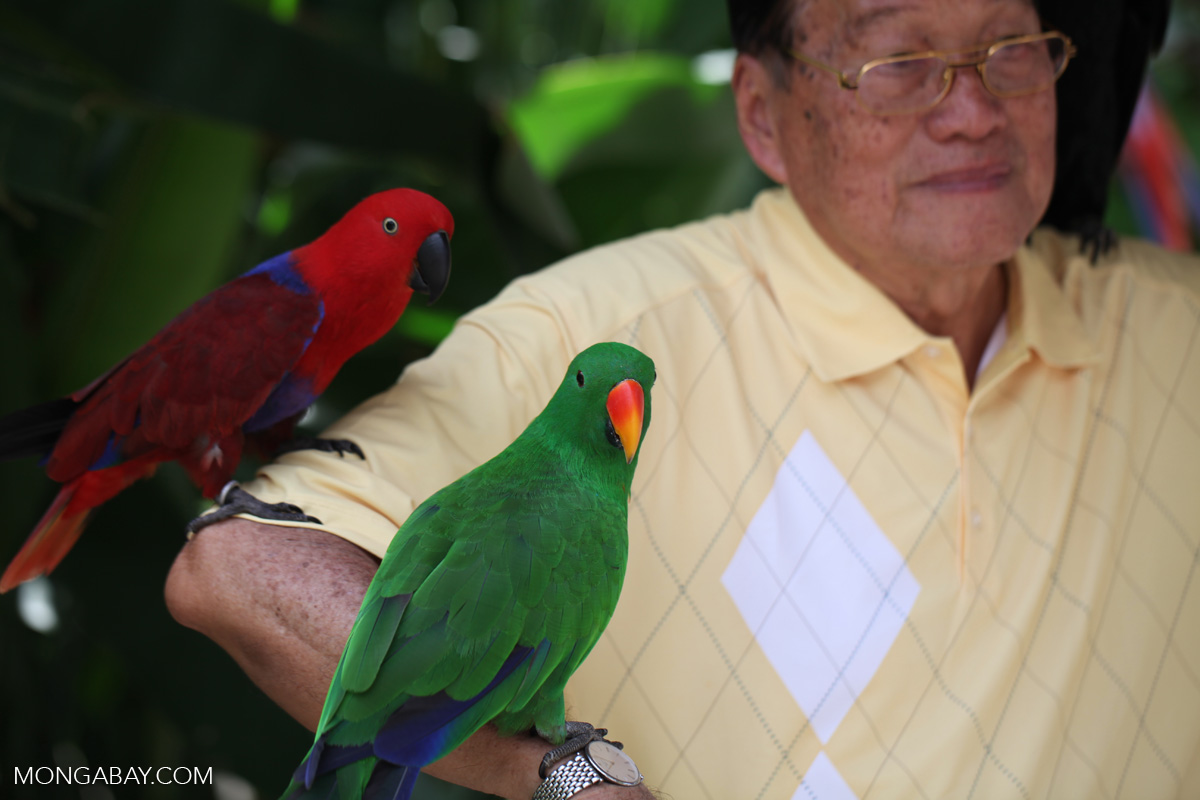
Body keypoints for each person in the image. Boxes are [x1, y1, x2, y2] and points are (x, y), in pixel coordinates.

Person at [165, 0, 1200, 797]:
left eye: (1012, 50)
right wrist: (562, 770)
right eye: (898, 64)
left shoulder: (1175, 331)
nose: (972, 111)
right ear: (762, 114)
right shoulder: (593, 333)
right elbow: (237, 564)